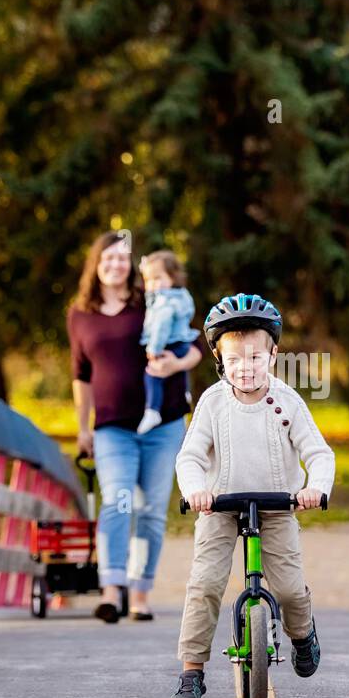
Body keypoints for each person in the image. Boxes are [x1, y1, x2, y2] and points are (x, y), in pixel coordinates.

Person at [170, 294, 335, 698]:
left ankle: (301, 634)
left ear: (274, 355)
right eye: (236, 359)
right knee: (205, 583)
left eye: (256, 358)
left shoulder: (286, 401)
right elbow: (190, 456)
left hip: (278, 505)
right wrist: (196, 490)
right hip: (219, 506)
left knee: (291, 589)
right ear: (219, 359)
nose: (246, 368)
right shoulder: (213, 402)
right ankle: (192, 672)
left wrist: (315, 487)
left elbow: (318, 453)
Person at [67, 231, 206, 623]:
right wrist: (83, 427)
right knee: (118, 501)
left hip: (163, 424)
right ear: (95, 264)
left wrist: (176, 365)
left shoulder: (153, 299)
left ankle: (141, 594)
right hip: (112, 428)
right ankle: (112, 592)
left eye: (122, 258)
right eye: (107, 257)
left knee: (150, 512)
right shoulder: (79, 314)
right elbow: (80, 375)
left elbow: (195, 343)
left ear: (131, 265)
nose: (115, 264)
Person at [136, 250, 200, 435]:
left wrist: (154, 348)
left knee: (152, 374)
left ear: (172, 277)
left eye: (157, 278)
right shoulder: (182, 295)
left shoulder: (164, 301)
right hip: (182, 341)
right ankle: (185, 393)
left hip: (168, 342)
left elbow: (161, 327)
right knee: (180, 369)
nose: (152, 285)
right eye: (148, 280)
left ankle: (152, 410)